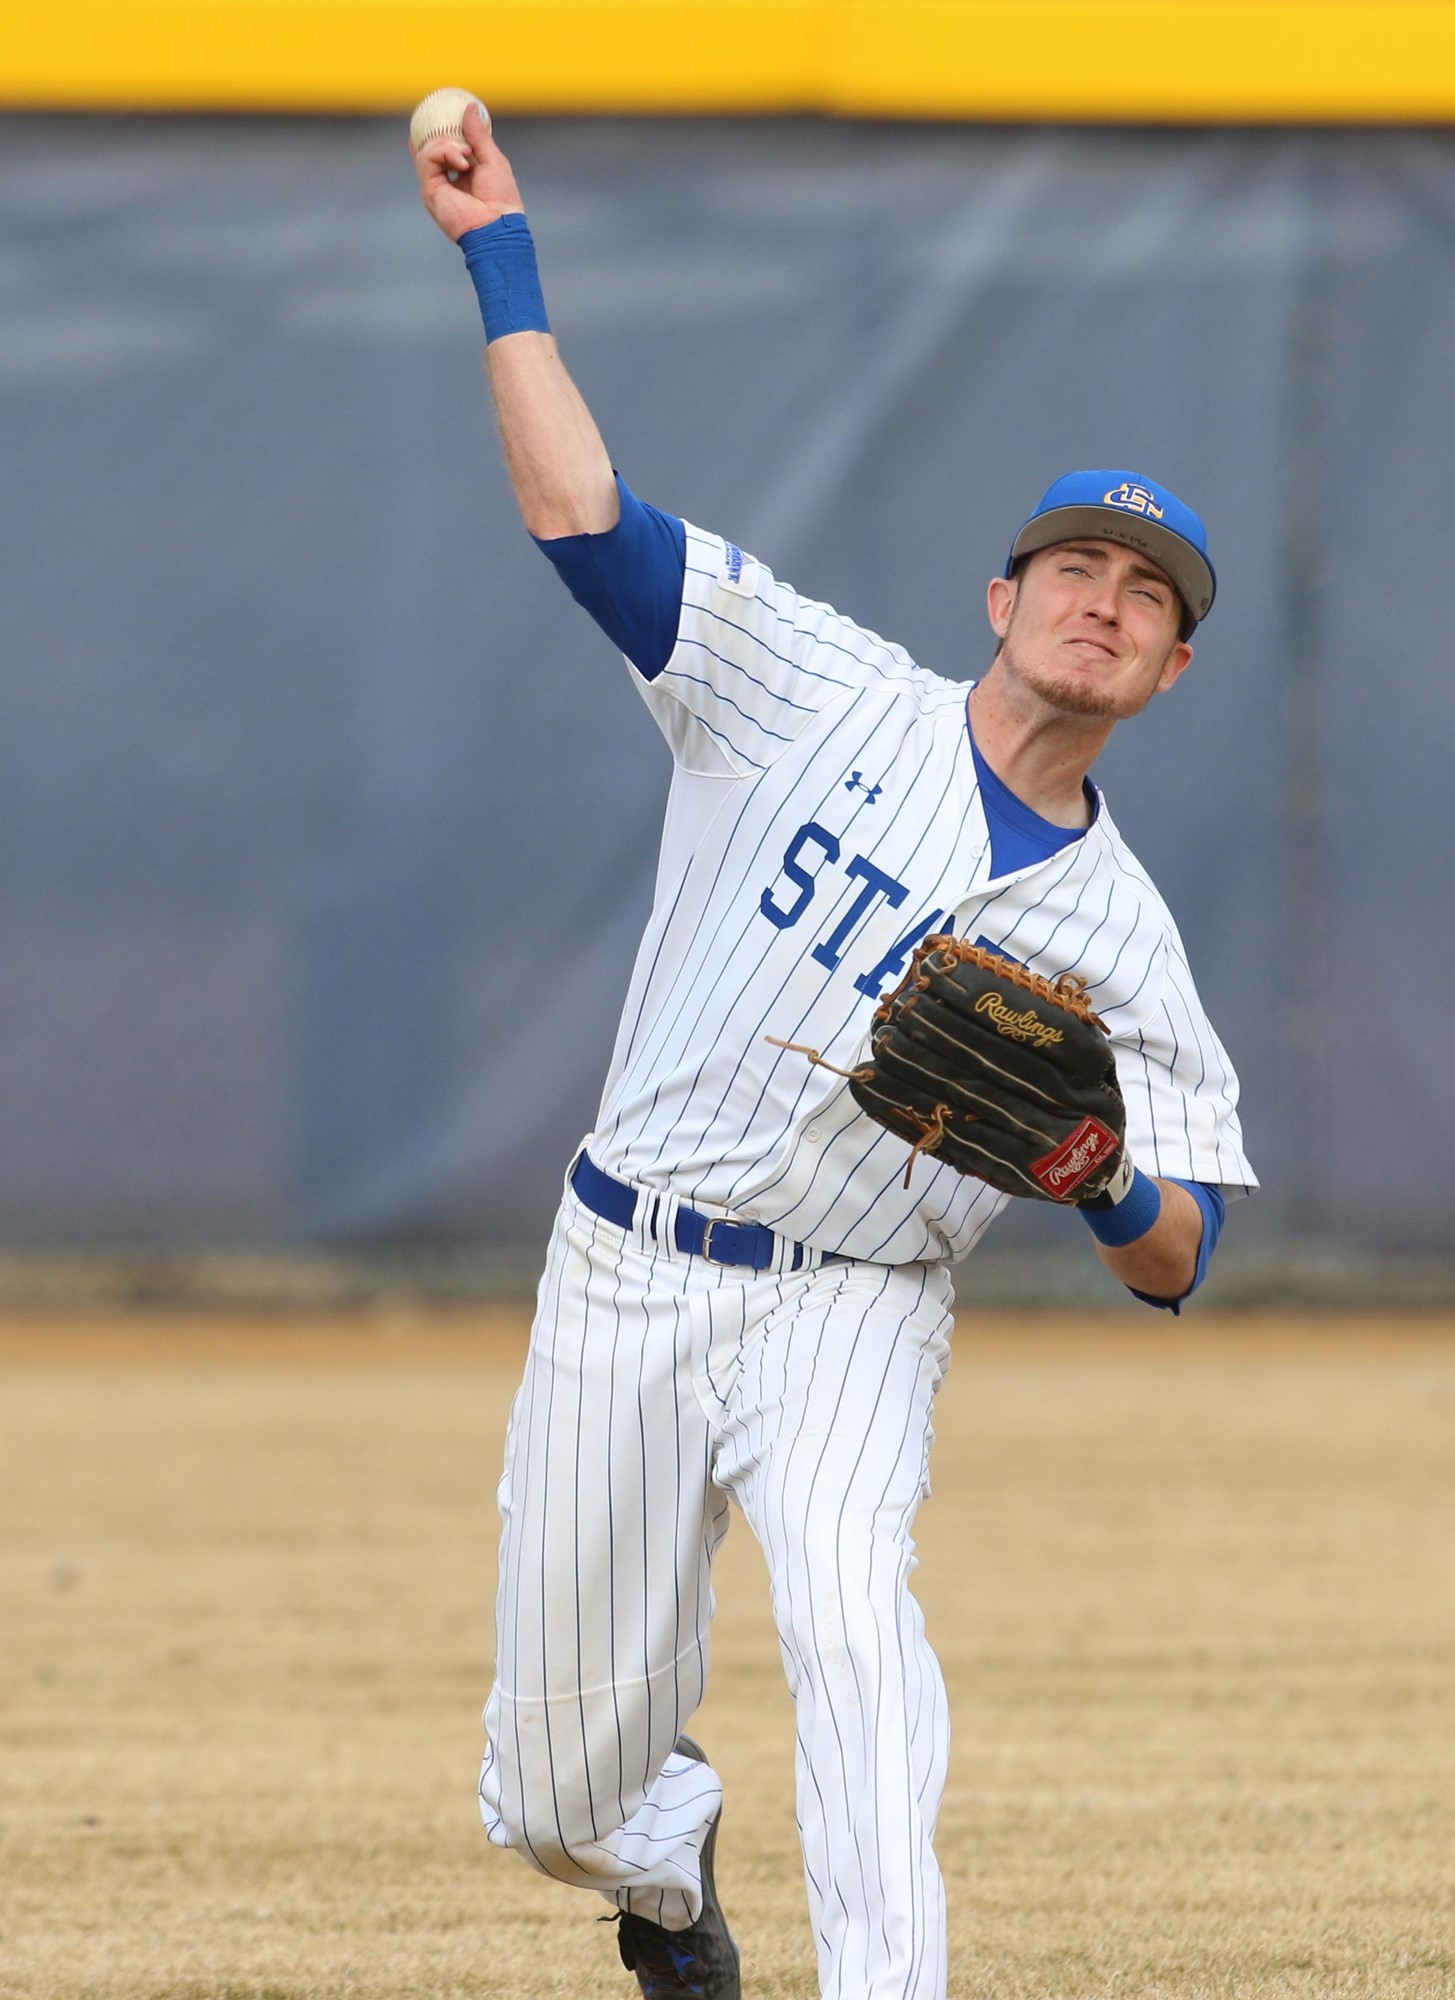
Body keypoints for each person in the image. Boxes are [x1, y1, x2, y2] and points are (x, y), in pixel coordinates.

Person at [414, 109, 1256, 2000]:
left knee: (859, 1641)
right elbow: (584, 523)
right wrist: (502, 262)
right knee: (550, 1791)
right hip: (628, 1258)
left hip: (854, 1305)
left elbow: (1185, 1253)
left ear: (1170, 673)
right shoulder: (810, 688)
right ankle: (655, 1857)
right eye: (1074, 569)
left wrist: (1106, 1184)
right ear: (1003, 598)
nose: (1103, 602)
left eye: (1147, 600)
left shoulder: (1127, 941)